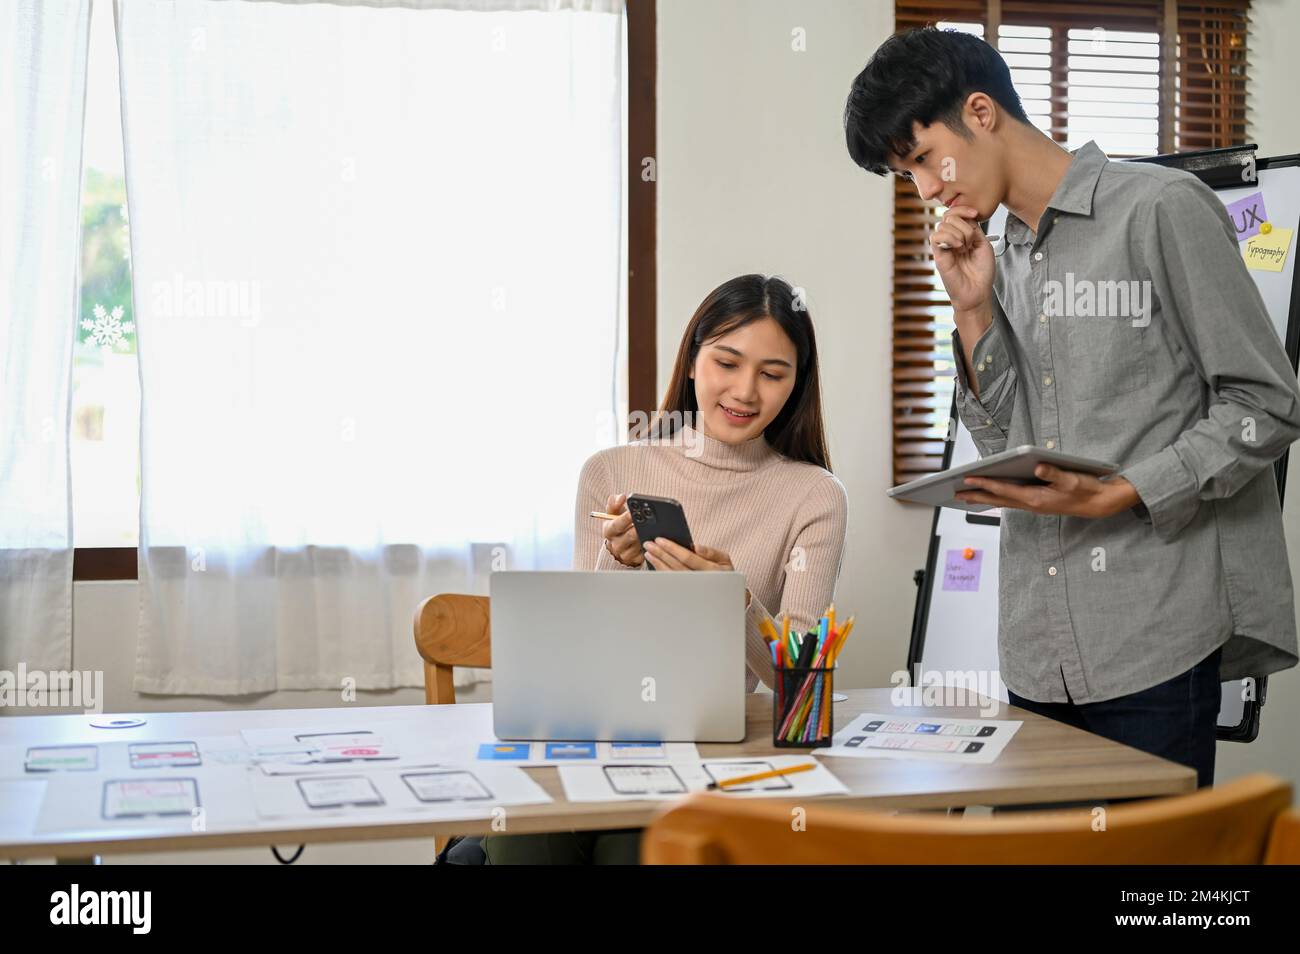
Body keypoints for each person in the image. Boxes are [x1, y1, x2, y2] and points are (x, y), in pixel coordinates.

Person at [843, 26, 1300, 789]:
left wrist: (1121, 491)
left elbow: (1267, 402)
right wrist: (972, 310)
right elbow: (996, 434)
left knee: (1152, 906)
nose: (924, 190)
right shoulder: (997, 252)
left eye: (922, 159)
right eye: (905, 174)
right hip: (1034, 648)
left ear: (981, 113)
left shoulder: (1159, 209)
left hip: (1154, 637)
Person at [471, 273, 848, 864]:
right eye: (727, 362)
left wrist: (734, 603)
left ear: (796, 384)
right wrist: (617, 561)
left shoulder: (814, 495)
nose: (746, 392)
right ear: (693, 360)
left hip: (707, 760)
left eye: (773, 374)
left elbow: (802, 700)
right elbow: (576, 658)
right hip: (594, 743)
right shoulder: (610, 470)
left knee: (636, 852)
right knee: (522, 841)